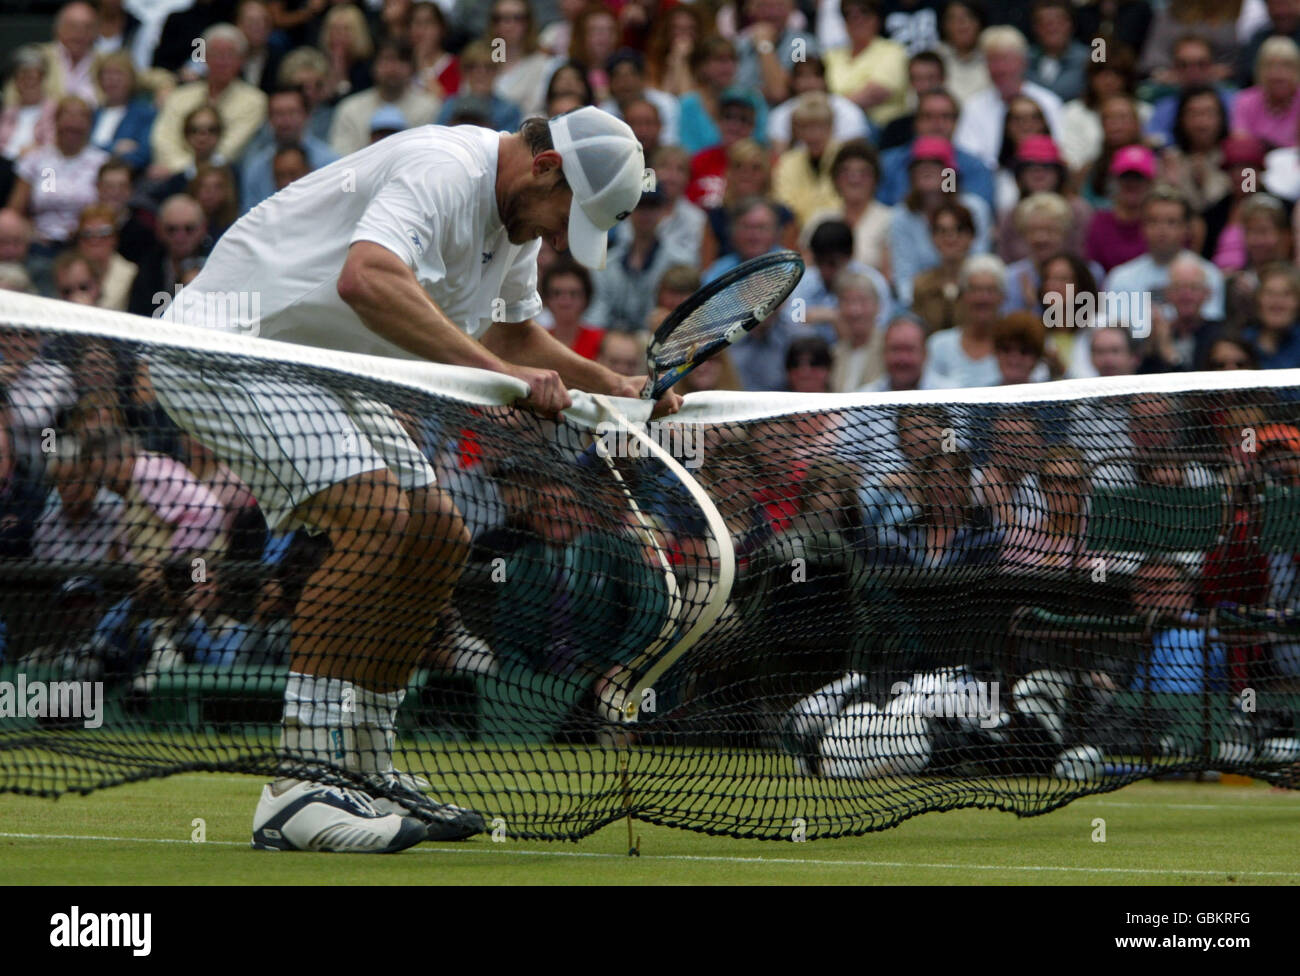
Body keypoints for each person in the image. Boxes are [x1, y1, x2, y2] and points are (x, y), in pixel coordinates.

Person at [152, 108, 678, 852]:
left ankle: (366, 768)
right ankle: (298, 785)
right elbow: (366, 277)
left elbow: (510, 330)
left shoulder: (514, 220)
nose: (562, 238)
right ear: (546, 168)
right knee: (376, 517)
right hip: (223, 349)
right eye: (567, 217)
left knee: (438, 533)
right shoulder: (443, 168)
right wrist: (504, 379)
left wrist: (614, 384)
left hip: (322, 368)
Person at [150, 23, 268, 175]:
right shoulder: (179, 96)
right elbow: (163, 139)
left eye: (229, 55)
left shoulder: (255, 101)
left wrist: (190, 172)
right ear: (204, 58)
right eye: (216, 54)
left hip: (224, 178)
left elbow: (231, 148)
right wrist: (183, 170)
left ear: (241, 60)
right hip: (173, 175)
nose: (222, 62)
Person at [240, 85, 338, 212]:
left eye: (292, 112)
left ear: (307, 115)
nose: (286, 121)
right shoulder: (256, 167)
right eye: (279, 114)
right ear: (269, 119)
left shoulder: (331, 162)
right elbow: (248, 217)